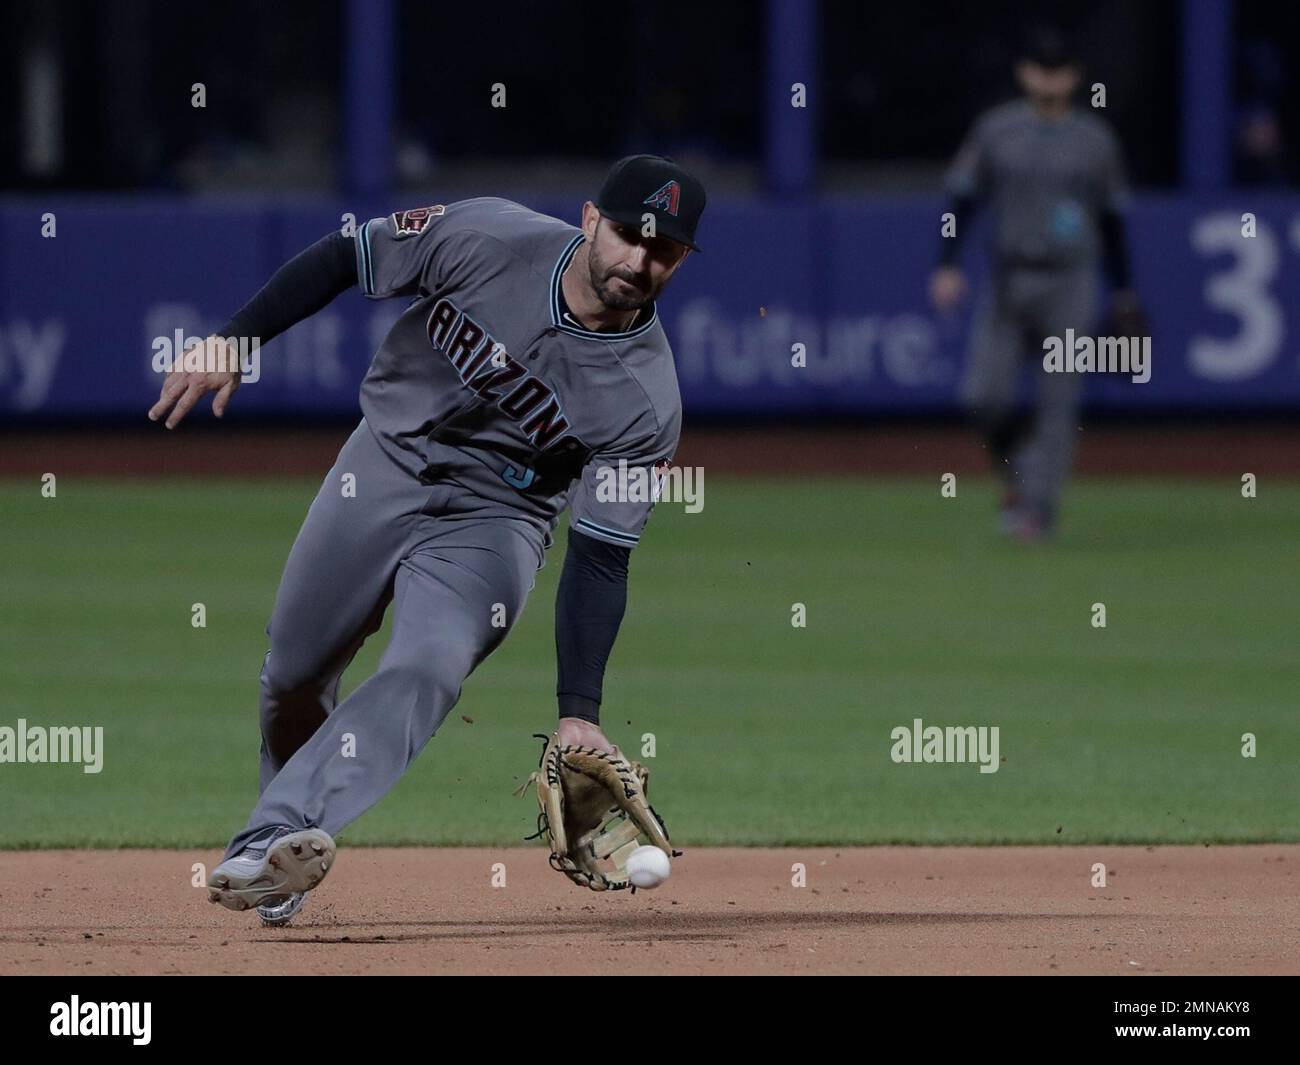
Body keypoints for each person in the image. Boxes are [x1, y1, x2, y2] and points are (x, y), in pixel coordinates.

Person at [149, 155, 705, 923]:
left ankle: (271, 841)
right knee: (292, 674)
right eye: (627, 235)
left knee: (427, 664)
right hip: (379, 463)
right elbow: (349, 255)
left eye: (664, 250)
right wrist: (237, 339)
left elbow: (602, 555)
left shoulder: (646, 403)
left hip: (494, 522)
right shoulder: (486, 236)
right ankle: (278, 836)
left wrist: (579, 708)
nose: (639, 260)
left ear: (681, 260)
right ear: (588, 220)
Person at [929, 29, 1138, 541]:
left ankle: (1036, 511)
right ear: (1024, 73)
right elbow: (962, 201)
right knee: (983, 396)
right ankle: (1022, 474)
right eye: (1041, 68)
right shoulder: (997, 131)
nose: (1049, 79)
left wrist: (1125, 289)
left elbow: (1112, 223)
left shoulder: (1095, 140)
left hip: (1073, 280)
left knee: (1058, 402)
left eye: (1059, 69)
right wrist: (947, 263)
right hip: (1008, 276)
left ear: (1074, 76)